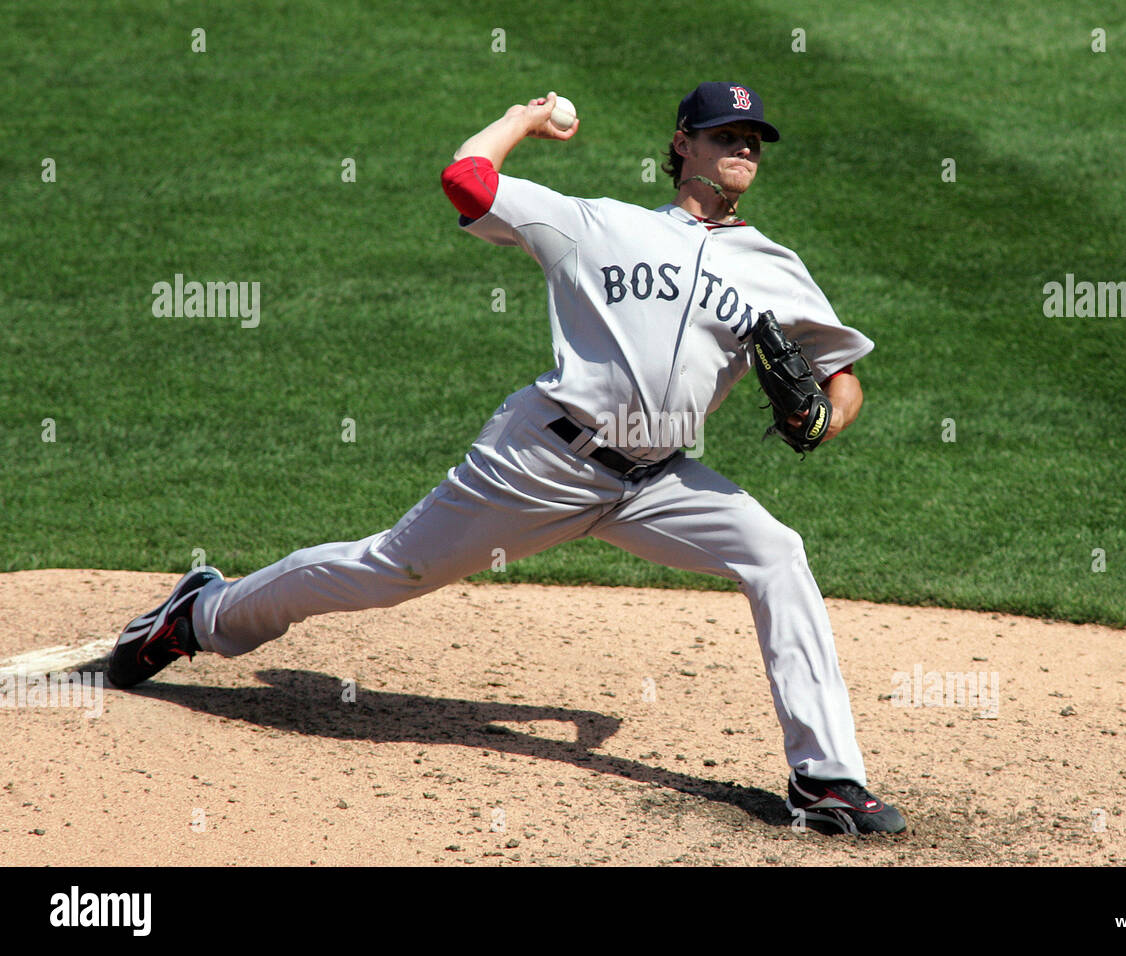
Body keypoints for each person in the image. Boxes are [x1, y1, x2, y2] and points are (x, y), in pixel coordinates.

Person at [109, 82, 906, 836]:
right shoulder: (597, 224)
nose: (742, 150)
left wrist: (824, 421)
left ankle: (824, 779)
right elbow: (467, 179)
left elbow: (842, 380)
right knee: (390, 569)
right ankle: (200, 614)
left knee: (777, 553)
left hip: (656, 480)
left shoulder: (775, 267)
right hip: (540, 459)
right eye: (725, 136)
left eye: (753, 141)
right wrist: (527, 117)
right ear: (682, 145)